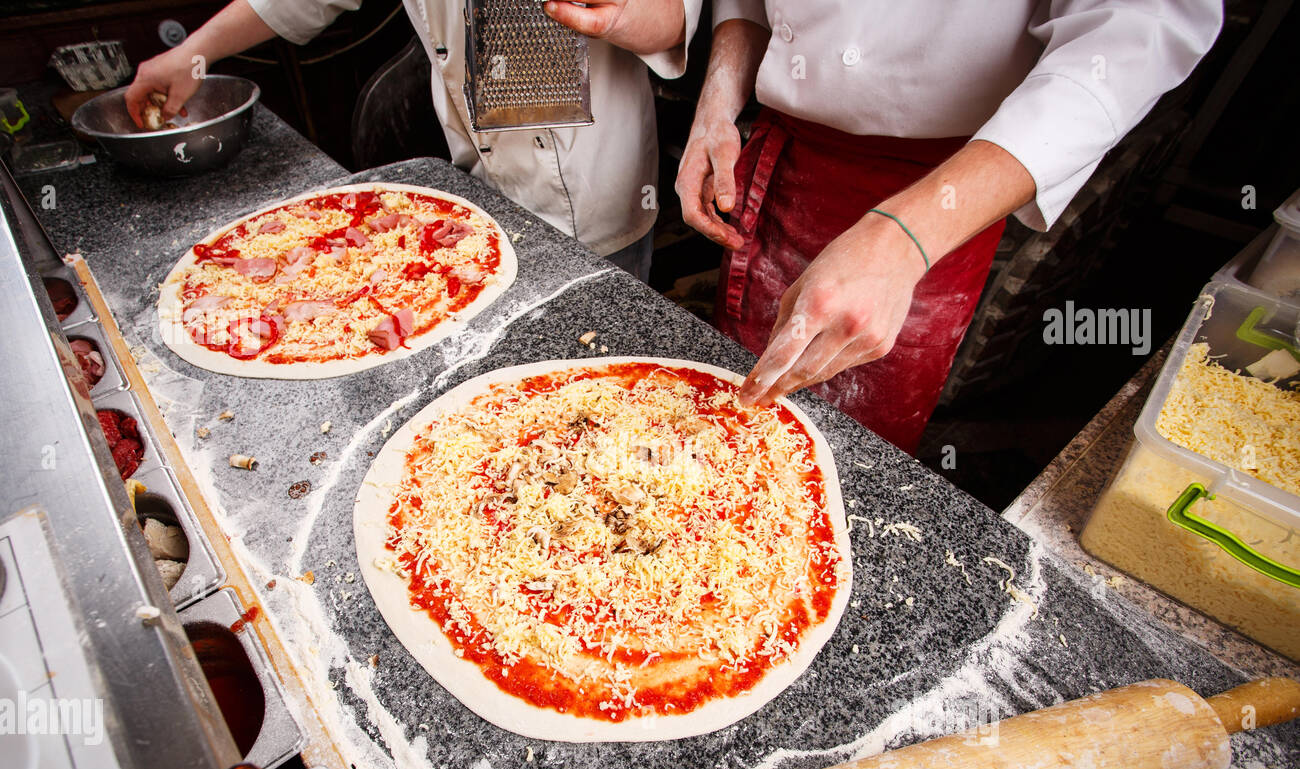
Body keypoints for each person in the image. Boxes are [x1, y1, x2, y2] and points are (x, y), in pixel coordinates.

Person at [675, 1, 1223, 452]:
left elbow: (1134, 35)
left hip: (950, 186)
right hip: (787, 160)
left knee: (862, 443)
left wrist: (904, 235)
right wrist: (715, 109)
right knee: (739, 398)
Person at [126, 0, 703, 281]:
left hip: (595, 192)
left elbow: (675, 18)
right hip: (478, 186)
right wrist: (191, 53)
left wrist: (616, 12)